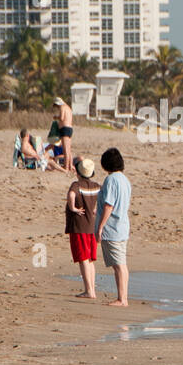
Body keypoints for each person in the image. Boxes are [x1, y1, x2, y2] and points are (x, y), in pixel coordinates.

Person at [95, 148, 132, 306]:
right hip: (122, 226)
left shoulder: (111, 180)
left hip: (113, 227)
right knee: (120, 264)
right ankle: (122, 297)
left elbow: (109, 205)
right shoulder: (125, 179)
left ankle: (122, 299)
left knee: (119, 265)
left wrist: (100, 227)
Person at [66, 157, 101, 298]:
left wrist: (73, 208)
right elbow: (102, 199)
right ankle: (92, 288)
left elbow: (71, 194)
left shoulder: (76, 185)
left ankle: (89, 290)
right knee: (90, 259)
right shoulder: (96, 186)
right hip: (92, 226)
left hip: (79, 226)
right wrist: (96, 210)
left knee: (83, 259)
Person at [53, 97, 75, 173]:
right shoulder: (69, 108)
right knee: (68, 149)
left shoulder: (62, 107)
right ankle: (70, 165)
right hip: (70, 128)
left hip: (64, 128)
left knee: (65, 149)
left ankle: (66, 167)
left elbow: (62, 118)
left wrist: (56, 117)